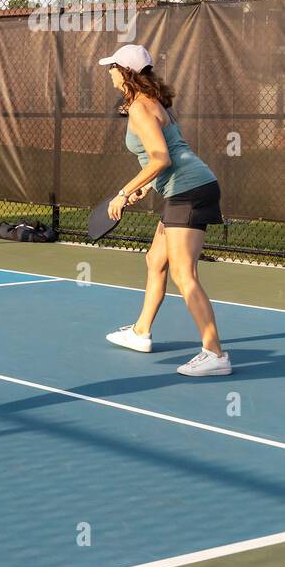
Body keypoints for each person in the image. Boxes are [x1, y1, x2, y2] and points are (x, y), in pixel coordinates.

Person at [99, 44, 230, 376]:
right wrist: (145, 186)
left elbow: (161, 157)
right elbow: (167, 152)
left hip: (189, 191)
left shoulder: (142, 108)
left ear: (125, 72)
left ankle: (215, 353)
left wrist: (123, 192)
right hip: (184, 188)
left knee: (183, 274)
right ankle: (141, 331)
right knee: (155, 260)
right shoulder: (150, 104)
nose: (109, 72)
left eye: (112, 67)